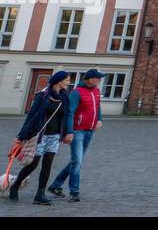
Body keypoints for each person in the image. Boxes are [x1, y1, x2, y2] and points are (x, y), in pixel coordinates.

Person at [8, 71, 73, 205]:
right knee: (33, 164)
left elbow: (66, 115)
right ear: (59, 81)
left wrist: (66, 132)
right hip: (39, 135)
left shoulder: (64, 96)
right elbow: (31, 116)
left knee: (48, 164)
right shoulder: (42, 96)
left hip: (54, 136)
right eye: (67, 80)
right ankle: (15, 185)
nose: (68, 82)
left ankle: (40, 194)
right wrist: (21, 136)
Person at [48, 69, 104, 202]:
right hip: (77, 131)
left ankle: (56, 185)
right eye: (98, 78)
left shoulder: (96, 91)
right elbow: (70, 112)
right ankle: (74, 192)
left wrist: (99, 119)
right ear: (90, 79)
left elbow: (98, 106)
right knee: (77, 161)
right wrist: (69, 131)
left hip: (89, 131)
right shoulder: (76, 93)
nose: (100, 80)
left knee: (76, 161)